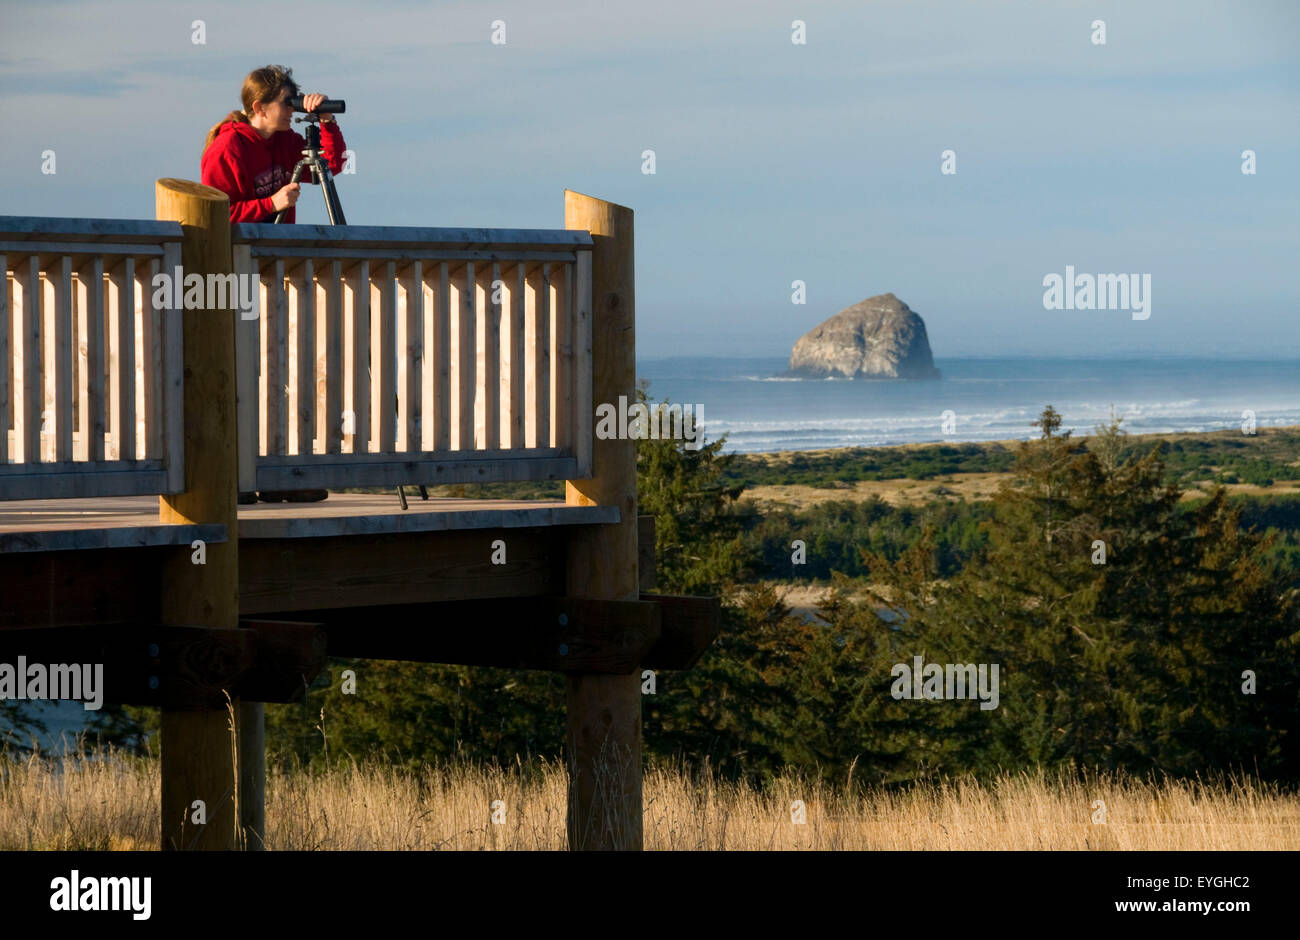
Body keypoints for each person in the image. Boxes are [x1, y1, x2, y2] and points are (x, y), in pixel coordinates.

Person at [202, 65, 342, 503]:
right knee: (241, 374)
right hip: (232, 273)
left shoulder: (288, 142)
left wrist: (326, 123)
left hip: (276, 268)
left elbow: (332, 167)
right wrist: (270, 202)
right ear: (258, 108)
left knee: (283, 371)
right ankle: (235, 479)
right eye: (287, 102)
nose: (292, 109)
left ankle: (279, 473)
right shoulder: (227, 148)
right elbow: (213, 215)